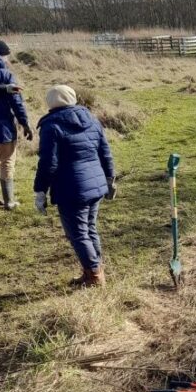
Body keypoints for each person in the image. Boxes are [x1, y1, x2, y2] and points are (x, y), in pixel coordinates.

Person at [33, 85, 117, 288]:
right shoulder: (91, 119)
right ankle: (92, 271)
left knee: (78, 234)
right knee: (89, 229)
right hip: (95, 183)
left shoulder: (51, 126)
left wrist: (40, 190)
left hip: (71, 189)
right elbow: (105, 152)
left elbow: (48, 163)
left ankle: (95, 276)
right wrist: (109, 179)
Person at [0, 39, 34, 209]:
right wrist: (25, 124)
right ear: (2, 56)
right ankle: (9, 201)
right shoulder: (5, 74)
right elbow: (16, 102)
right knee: (8, 161)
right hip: (2, 127)